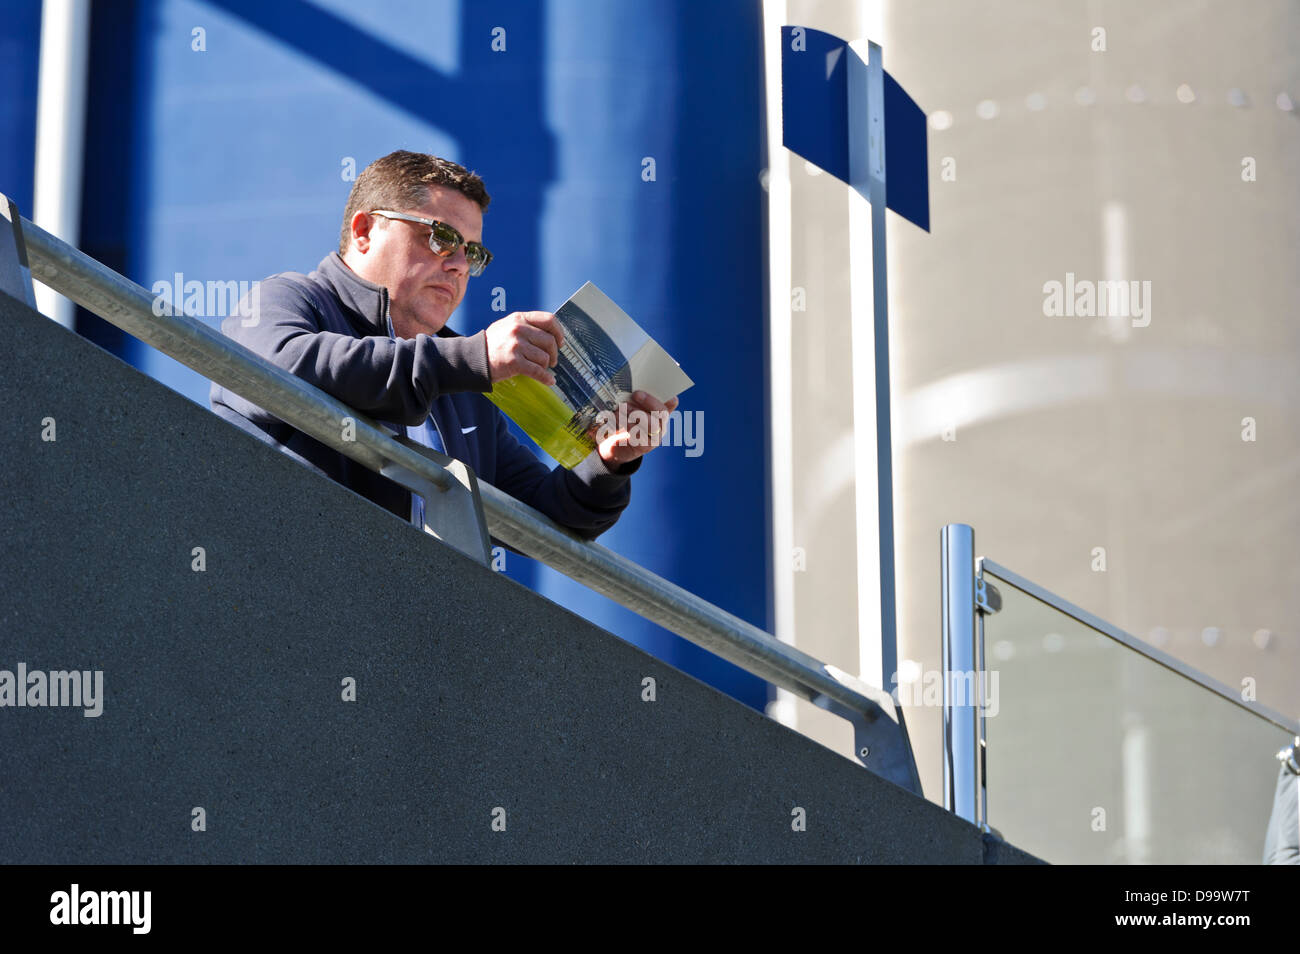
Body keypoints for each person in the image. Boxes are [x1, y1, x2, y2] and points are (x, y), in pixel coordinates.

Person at [210, 150, 676, 539]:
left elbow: (543, 519)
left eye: (473, 253)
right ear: (364, 231)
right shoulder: (291, 298)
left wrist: (607, 464)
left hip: (413, 631)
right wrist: (472, 359)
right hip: (283, 610)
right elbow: (280, 370)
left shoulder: (463, 381)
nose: (458, 264)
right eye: (441, 237)